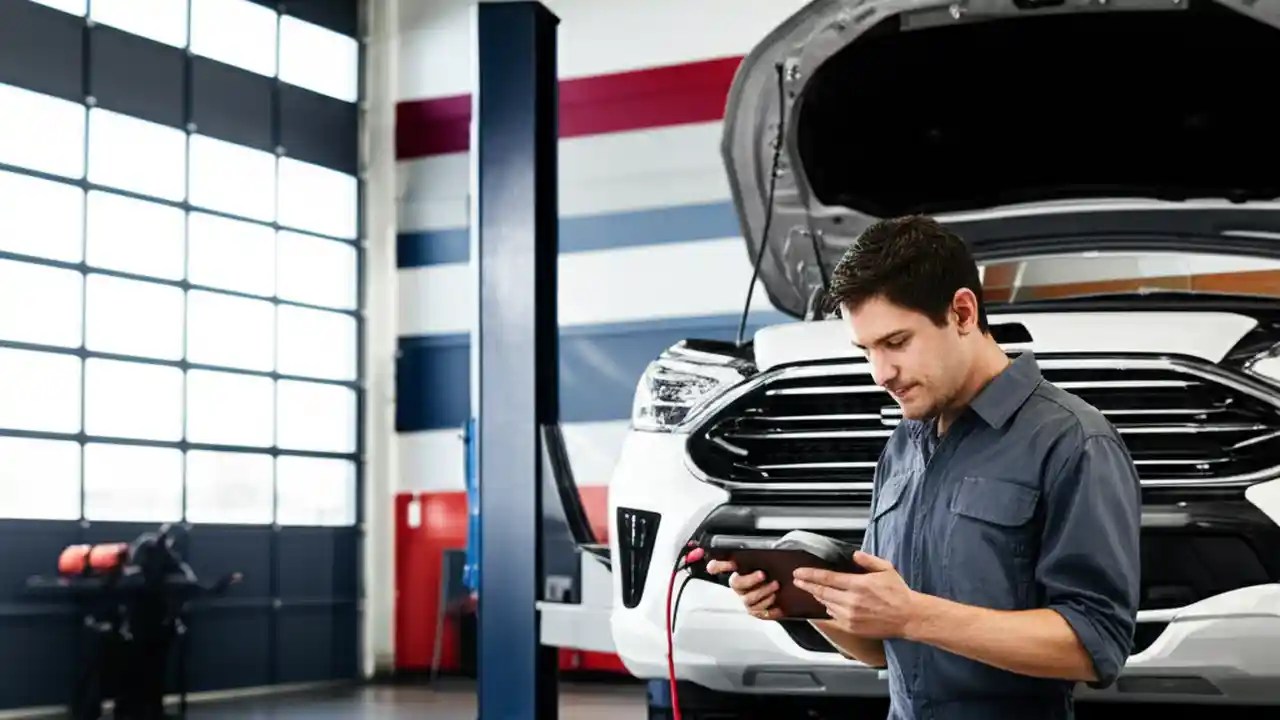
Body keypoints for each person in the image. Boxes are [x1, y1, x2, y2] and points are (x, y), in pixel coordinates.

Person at [705, 215, 1142, 719]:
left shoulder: (1073, 440)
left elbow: (1097, 646)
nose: (880, 373)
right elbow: (882, 647)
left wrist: (915, 616)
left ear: (962, 312)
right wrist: (802, 602)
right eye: (866, 349)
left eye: (896, 342)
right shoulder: (902, 447)